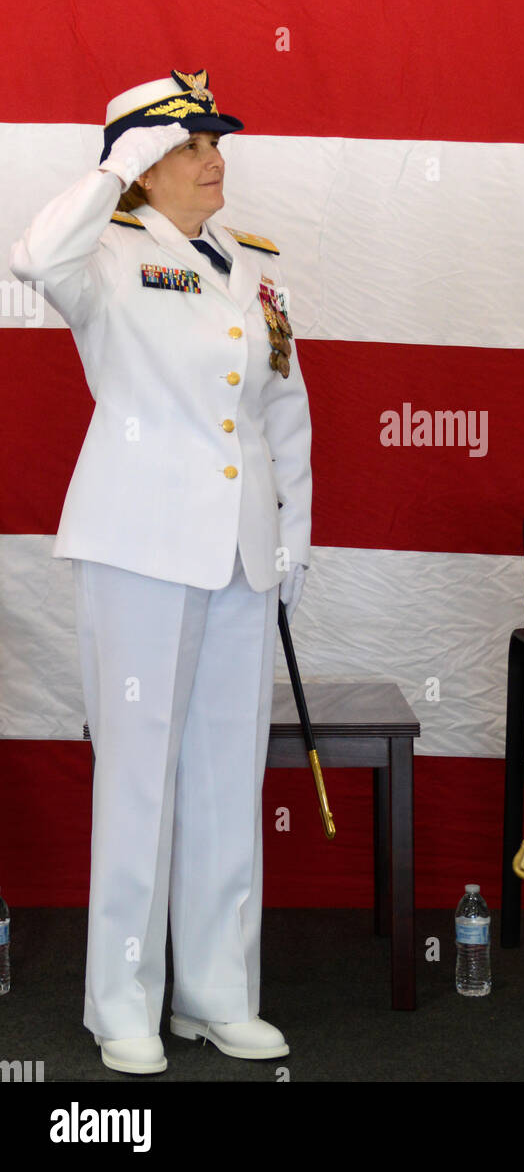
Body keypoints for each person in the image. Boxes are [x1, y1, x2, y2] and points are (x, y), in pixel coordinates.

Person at [11, 69, 313, 1075]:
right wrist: (115, 163)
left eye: (216, 140)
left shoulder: (256, 267)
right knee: (139, 778)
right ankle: (121, 1001)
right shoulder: (101, 253)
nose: (215, 156)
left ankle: (215, 992)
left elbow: (284, 420)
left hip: (239, 551)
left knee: (227, 774)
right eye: (190, 144)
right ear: (144, 161)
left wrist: (291, 542)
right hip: (140, 549)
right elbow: (30, 252)